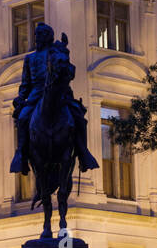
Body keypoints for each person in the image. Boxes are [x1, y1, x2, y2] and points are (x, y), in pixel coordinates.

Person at [10, 23, 99, 175]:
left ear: (48, 37)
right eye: (36, 34)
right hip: (36, 95)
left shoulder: (56, 52)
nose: (37, 37)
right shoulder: (29, 58)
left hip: (59, 93)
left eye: (41, 34)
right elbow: (26, 82)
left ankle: (84, 153)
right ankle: (21, 155)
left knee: (78, 117)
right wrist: (21, 97)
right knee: (23, 118)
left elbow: (69, 70)